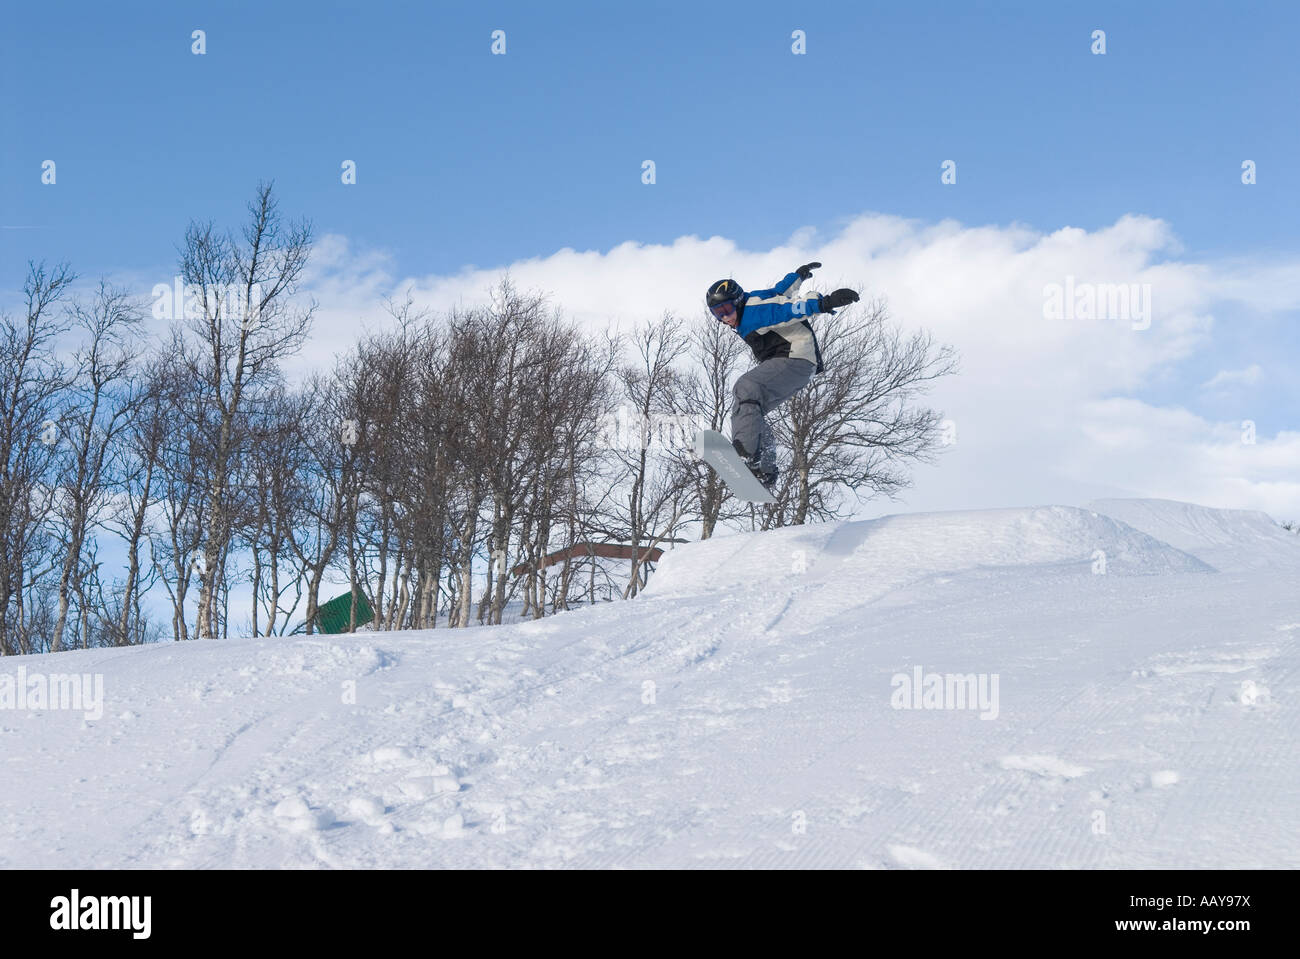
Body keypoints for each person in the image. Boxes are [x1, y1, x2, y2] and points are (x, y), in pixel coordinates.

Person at [706, 263, 859, 490]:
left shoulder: (754, 312)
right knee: (750, 411)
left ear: (737, 301)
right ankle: (763, 471)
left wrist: (824, 303)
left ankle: (745, 455)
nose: (725, 318)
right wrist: (798, 275)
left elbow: (789, 309)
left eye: (727, 310)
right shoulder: (755, 301)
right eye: (718, 315)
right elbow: (781, 291)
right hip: (794, 364)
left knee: (746, 387)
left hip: (794, 358)